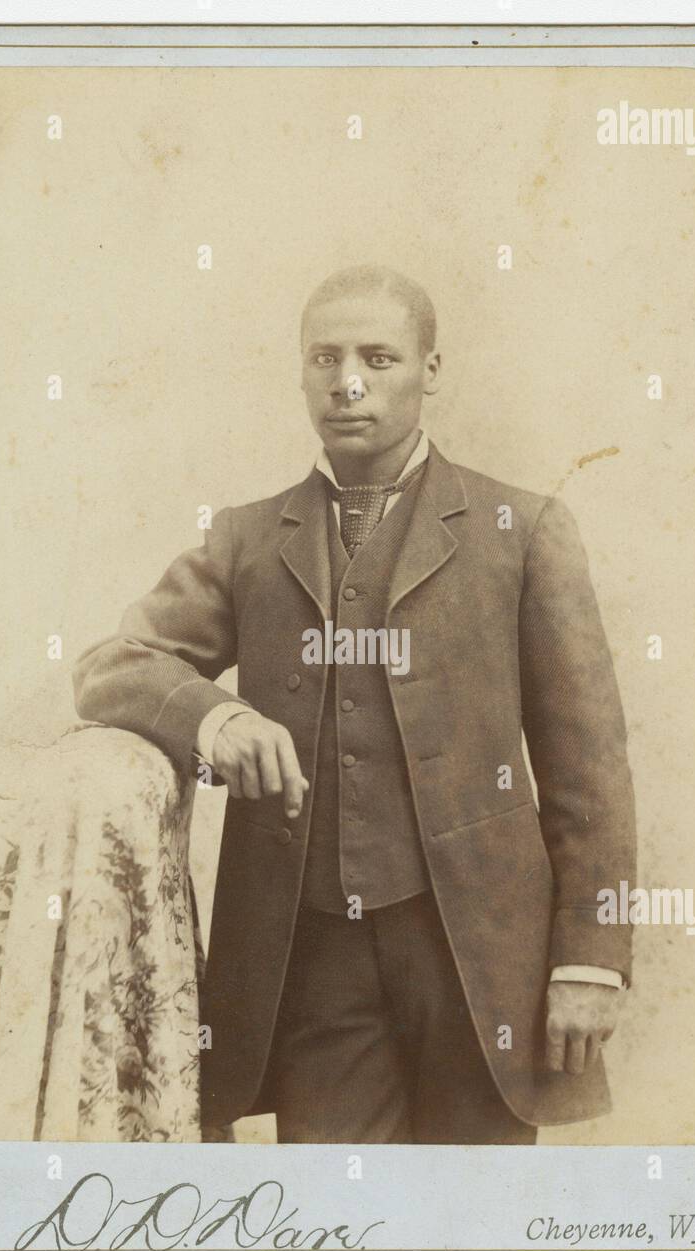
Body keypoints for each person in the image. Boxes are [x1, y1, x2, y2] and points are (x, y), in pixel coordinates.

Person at [74, 264, 636, 1144]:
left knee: (472, 1236)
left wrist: (590, 961)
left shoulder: (522, 532)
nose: (348, 383)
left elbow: (588, 773)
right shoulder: (247, 539)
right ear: (301, 373)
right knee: (335, 1229)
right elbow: (114, 665)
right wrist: (218, 720)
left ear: (431, 370)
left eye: (378, 358)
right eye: (324, 359)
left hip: (483, 955)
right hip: (315, 956)